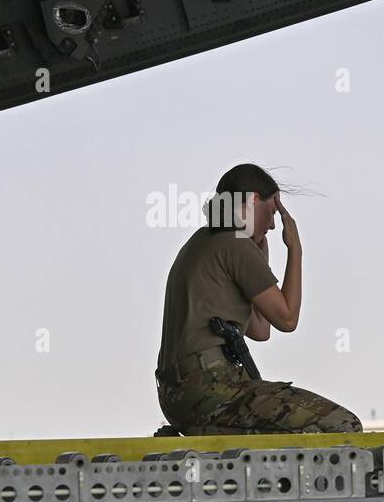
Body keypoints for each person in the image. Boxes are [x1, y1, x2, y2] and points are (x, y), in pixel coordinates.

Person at [155, 163, 362, 435]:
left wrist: (261, 259)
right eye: (272, 211)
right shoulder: (235, 243)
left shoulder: (204, 241)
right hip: (212, 388)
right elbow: (287, 320)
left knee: (272, 435)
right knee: (343, 426)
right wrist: (295, 250)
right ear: (253, 199)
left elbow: (261, 330)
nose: (274, 225)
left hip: (180, 397)